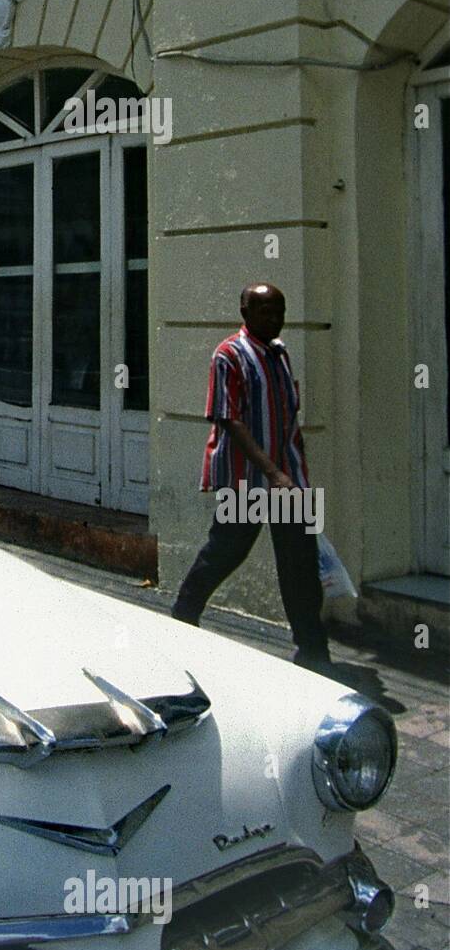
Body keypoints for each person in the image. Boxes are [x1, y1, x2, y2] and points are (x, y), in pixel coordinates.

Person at [171, 282, 332, 671]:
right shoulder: (229, 354)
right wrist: (271, 471)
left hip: (287, 477)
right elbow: (230, 419)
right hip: (246, 478)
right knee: (225, 553)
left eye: (279, 311)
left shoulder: (279, 354)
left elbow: (288, 417)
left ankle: (313, 650)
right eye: (264, 312)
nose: (274, 319)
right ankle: (181, 618)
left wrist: (293, 471)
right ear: (245, 313)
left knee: (300, 563)